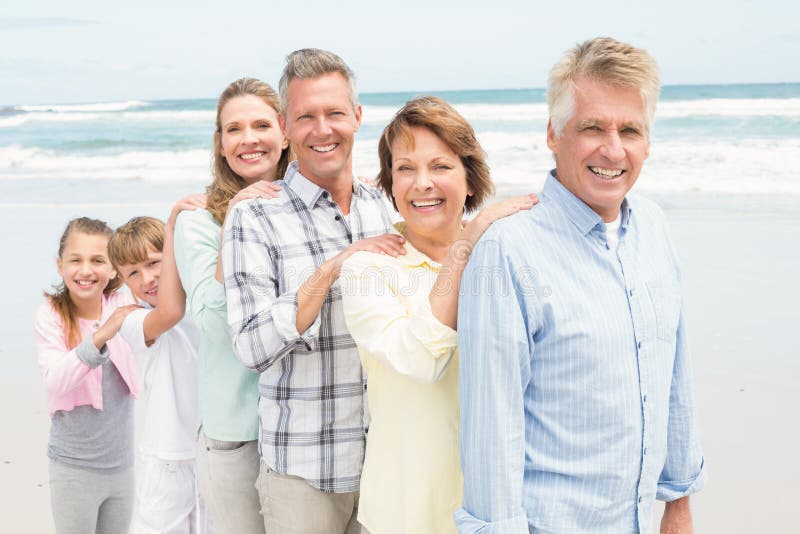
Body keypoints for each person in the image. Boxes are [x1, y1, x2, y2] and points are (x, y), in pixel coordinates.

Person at [456, 37, 706, 534]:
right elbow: (491, 426)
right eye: (592, 127)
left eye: (630, 130)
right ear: (553, 133)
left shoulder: (654, 228)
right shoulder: (508, 250)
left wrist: (678, 503)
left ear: (648, 142)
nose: (613, 149)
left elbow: (673, 369)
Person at [223, 49, 401, 534]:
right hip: (303, 476)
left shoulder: (385, 204)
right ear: (284, 126)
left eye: (335, 114)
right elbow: (251, 345)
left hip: (385, 469)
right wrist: (331, 270)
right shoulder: (254, 216)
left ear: (358, 117)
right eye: (306, 117)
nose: (323, 130)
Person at [340, 96, 536, 534]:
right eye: (405, 168)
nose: (421, 183)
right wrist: (464, 249)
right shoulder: (368, 270)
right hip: (406, 513)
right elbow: (422, 359)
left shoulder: (504, 259)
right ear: (390, 184)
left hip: (498, 510)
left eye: (441, 166)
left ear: (470, 179)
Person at [173, 77, 288, 534]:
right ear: (220, 145)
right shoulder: (198, 222)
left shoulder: (312, 208)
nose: (249, 139)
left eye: (261, 124)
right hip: (237, 437)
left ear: (284, 133)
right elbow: (217, 327)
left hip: (308, 428)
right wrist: (234, 221)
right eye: (233, 129)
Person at [34, 217, 140, 534]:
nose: (85, 270)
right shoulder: (50, 314)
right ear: (60, 265)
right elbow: (56, 380)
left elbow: (166, 295)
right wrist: (100, 336)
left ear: (113, 270)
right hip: (73, 469)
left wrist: (175, 220)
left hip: (122, 466)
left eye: (97, 261)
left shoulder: (125, 304)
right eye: (75, 260)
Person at [108, 202, 210, 534]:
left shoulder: (203, 304)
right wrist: (171, 229)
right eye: (132, 273)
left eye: (154, 263)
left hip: (212, 452)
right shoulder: (134, 321)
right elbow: (170, 313)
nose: (147, 278)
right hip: (166, 458)